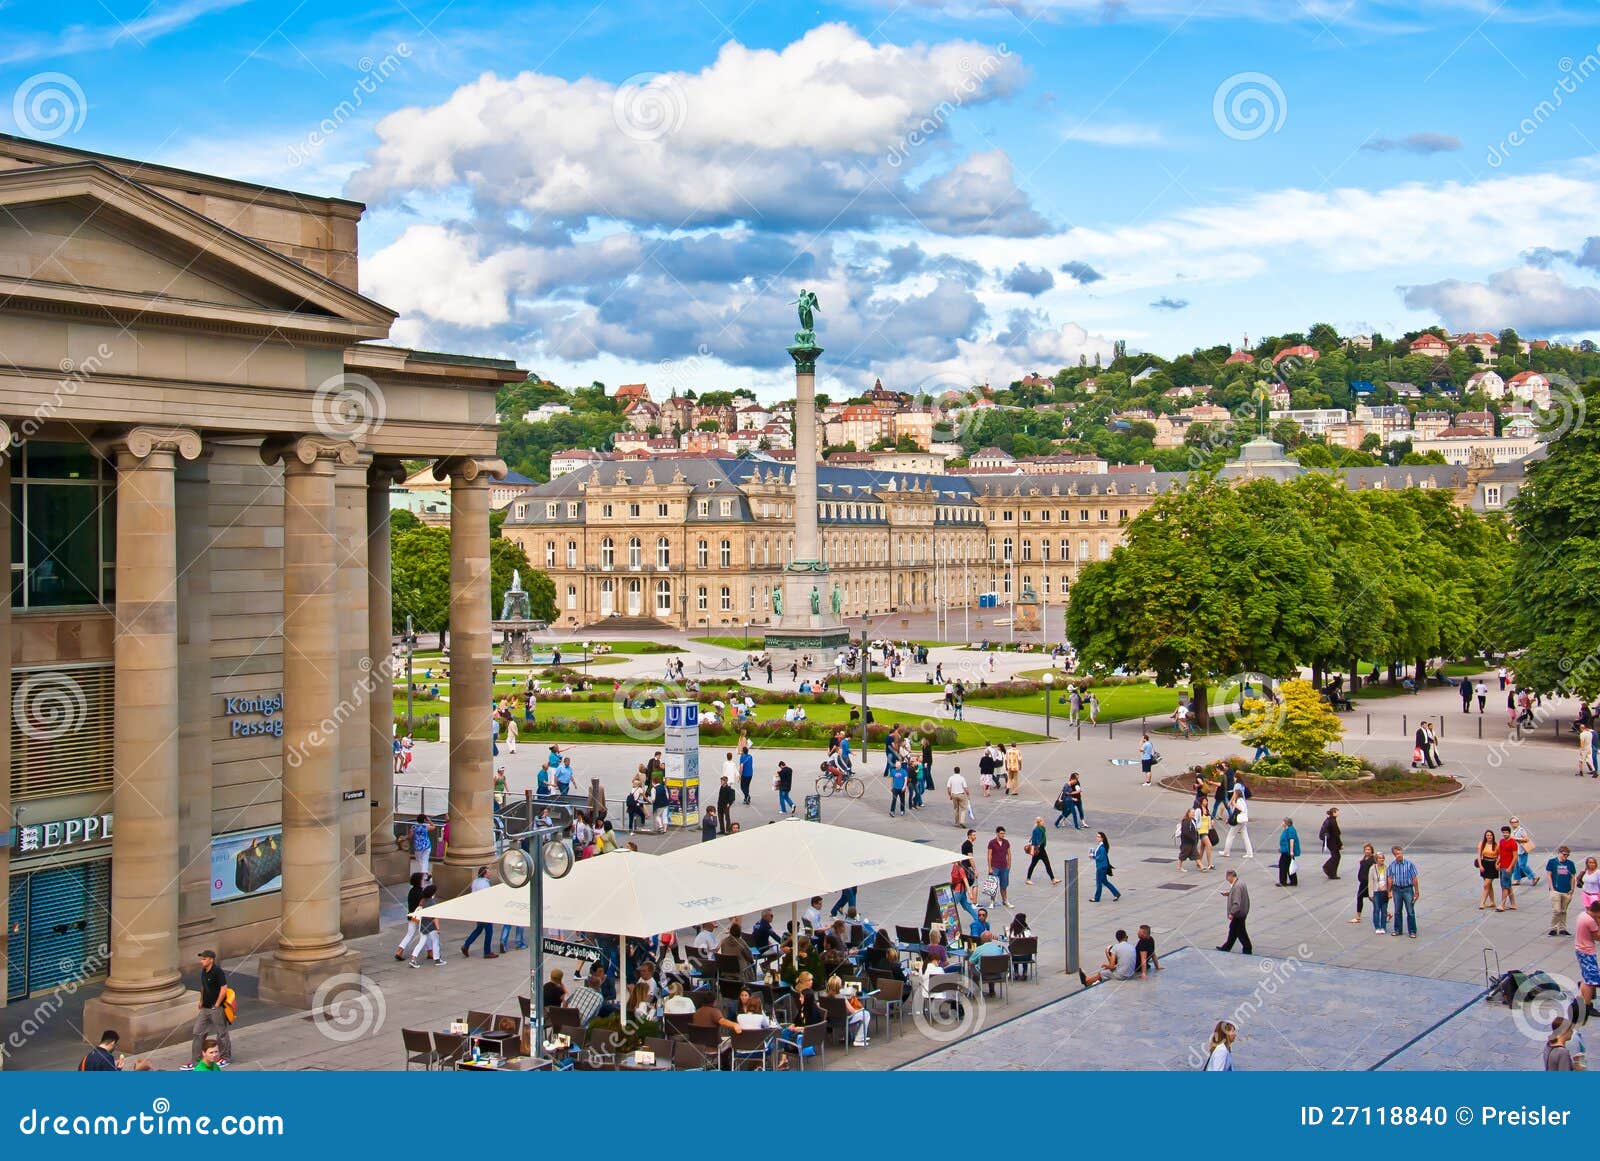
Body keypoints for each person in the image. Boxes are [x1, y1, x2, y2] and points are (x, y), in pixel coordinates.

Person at [188, 950, 232, 1068]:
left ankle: (225, 1057)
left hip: (216, 1008)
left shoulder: (217, 972)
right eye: (201, 959)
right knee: (197, 1032)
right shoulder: (203, 971)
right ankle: (196, 1061)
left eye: (204, 959)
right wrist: (201, 1000)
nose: (201, 961)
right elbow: (203, 986)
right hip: (205, 1008)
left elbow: (224, 988)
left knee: (221, 1033)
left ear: (211, 959)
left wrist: (217, 1004)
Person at [1386, 845, 1420, 938]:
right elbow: (1390, 879)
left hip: (1408, 889)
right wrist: (1389, 891)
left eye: (1400, 853)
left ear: (1402, 852)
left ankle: (1412, 931)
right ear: (1394, 855)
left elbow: (1414, 878)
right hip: (1396, 889)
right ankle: (1398, 930)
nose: (1399, 855)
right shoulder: (1392, 866)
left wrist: (1416, 892)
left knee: (1410, 911)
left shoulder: (1409, 864)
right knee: (1397, 911)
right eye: (1396, 854)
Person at [1216, 870, 1252, 954]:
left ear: (1230, 876)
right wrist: (1229, 893)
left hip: (1238, 913)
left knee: (1241, 932)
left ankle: (1247, 948)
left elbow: (1236, 903)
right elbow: (1239, 895)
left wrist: (1232, 913)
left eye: (1227, 878)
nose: (1227, 880)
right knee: (1233, 930)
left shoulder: (1236, 887)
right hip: (1243, 911)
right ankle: (1227, 947)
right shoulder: (1240, 882)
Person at [408, 884, 443, 966]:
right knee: (435, 941)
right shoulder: (433, 903)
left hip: (423, 925)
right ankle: (437, 959)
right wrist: (438, 928)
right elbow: (435, 917)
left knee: (421, 942)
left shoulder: (422, 901)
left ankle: (413, 959)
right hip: (431, 926)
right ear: (432, 893)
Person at [395, 872, 427, 960]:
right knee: (427, 934)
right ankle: (430, 952)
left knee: (410, 934)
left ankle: (400, 950)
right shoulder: (421, 892)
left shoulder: (412, 891)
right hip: (420, 916)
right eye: (422, 879)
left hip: (411, 915)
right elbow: (423, 904)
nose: (423, 880)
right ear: (419, 881)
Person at [1548, 846, 1578, 937]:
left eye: (1567, 855)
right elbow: (1549, 875)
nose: (1566, 856)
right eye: (1564, 854)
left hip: (1566, 890)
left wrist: (1572, 888)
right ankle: (1553, 928)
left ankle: (1562, 929)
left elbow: (1573, 876)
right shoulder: (1552, 862)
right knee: (1557, 910)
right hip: (1556, 890)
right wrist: (1552, 888)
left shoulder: (1570, 863)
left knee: (1563, 911)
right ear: (1559, 853)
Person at [1577, 901, 1600, 1018]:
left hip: (1581, 950)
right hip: (1587, 951)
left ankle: (1583, 998)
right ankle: (1586, 1006)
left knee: (1588, 978)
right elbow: (1597, 937)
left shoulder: (1583, 915)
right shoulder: (1590, 921)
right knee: (1591, 981)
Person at [1025, 817, 1060, 885]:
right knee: (1045, 864)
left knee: (1035, 864)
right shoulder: (1038, 829)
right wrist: (1037, 847)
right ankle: (1052, 879)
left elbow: (1034, 837)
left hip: (1040, 849)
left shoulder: (1041, 828)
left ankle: (1052, 879)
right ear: (1039, 822)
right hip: (1039, 849)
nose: (1043, 822)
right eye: (1042, 821)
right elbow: (1037, 839)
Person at [1220, 786, 1252, 858]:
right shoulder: (1242, 800)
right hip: (1243, 820)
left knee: (1230, 836)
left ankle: (1226, 852)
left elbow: (1241, 809)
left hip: (1239, 821)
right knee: (1245, 836)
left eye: (1234, 793)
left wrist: (1234, 804)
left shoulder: (1239, 801)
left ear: (1237, 794)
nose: (1233, 795)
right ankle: (1249, 853)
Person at [1350, 844, 1377, 924]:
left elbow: (1373, 871)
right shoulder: (1364, 858)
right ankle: (1387, 913)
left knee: (1361, 897)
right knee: (1371, 898)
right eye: (1366, 849)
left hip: (1368, 883)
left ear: (1372, 850)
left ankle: (1358, 917)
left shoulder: (1373, 860)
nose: (1367, 851)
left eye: (1369, 849)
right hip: (1363, 882)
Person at [987, 826, 1013, 908]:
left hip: (1004, 867)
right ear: (997, 833)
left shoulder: (1006, 842)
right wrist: (990, 867)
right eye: (1001, 833)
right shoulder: (992, 842)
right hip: (995, 866)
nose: (1003, 835)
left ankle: (1005, 900)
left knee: (1004, 885)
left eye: (1004, 833)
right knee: (993, 885)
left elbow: (1009, 854)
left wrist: (1009, 865)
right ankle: (992, 901)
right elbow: (989, 855)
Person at [1509, 817, 1539, 888]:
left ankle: (1534, 877)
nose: (1514, 823)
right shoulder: (1512, 831)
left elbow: (1526, 839)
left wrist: (1515, 838)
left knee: (1522, 865)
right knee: (1516, 865)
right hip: (1515, 851)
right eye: (1512, 822)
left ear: (1518, 822)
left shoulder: (1521, 830)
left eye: (1515, 822)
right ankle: (1517, 879)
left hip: (1522, 850)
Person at [1495, 826, 1520, 911]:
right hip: (1502, 866)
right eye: (1503, 832)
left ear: (1509, 833)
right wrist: (1497, 863)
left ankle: (1502, 905)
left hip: (1508, 867)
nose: (1505, 834)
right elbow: (1501, 854)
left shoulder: (1513, 843)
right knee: (1507, 885)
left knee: (1505, 886)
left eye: (1506, 832)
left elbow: (1515, 856)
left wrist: (1510, 867)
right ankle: (1513, 904)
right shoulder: (1501, 841)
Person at [1090, 831, 1120, 902]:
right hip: (1103, 866)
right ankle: (1116, 893)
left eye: (1098, 837)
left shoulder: (1102, 847)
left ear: (1102, 838)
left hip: (1101, 867)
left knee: (1099, 883)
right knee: (1105, 882)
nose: (1097, 838)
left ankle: (1097, 898)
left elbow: (1101, 857)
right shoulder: (1100, 845)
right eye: (1096, 836)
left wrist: (1093, 856)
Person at [1477, 829, 1501, 911]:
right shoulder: (1482, 844)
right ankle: (1492, 901)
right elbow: (1479, 856)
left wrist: (1498, 863)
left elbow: (1500, 855)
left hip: (1492, 865)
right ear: (1485, 836)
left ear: (1493, 836)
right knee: (1489, 885)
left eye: (1490, 835)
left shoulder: (1496, 845)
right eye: (1487, 835)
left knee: (1486, 885)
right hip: (1484, 864)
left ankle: (1482, 902)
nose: (1489, 837)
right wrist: (1480, 866)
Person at [1318, 807, 1343, 879]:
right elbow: (1336, 834)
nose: (1338, 813)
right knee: (1336, 856)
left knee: (1335, 856)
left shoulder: (1328, 819)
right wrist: (1340, 844)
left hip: (1328, 841)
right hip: (1332, 842)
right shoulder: (1333, 821)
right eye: (1337, 812)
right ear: (1334, 813)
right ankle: (1330, 870)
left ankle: (1330, 870)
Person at [1367, 851, 1389, 932]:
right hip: (1376, 891)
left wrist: (1390, 891)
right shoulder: (1372, 868)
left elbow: (1389, 880)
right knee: (1376, 909)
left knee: (1384, 910)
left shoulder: (1386, 868)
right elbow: (1370, 881)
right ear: (1376, 859)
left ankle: (1383, 927)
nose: (1382, 859)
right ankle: (1377, 927)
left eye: (1383, 858)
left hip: (1384, 891)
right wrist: (1370, 894)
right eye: (1380, 858)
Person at [1277, 818, 1300, 887]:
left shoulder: (1290, 830)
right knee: (1289, 865)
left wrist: (1291, 851)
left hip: (1288, 852)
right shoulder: (1287, 829)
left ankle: (1283, 881)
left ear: (1287, 823)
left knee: (1283, 865)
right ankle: (1293, 881)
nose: (1282, 823)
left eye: (1283, 822)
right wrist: (1281, 849)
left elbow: (1291, 840)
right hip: (1286, 851)